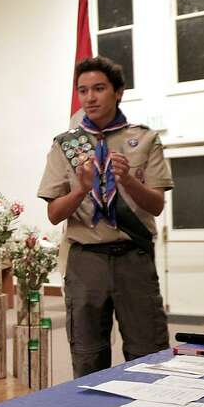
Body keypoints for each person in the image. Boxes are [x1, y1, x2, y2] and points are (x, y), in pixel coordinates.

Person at [38, 56, 173, 378]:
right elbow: (55, 214)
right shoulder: (65, 145)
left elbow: (156, 205)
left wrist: (127, 180)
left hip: (133, 258)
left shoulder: (144, 140)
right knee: (87, 356)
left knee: (148, 353)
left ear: (119, 92)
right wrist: (80, 189)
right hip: (86, 261)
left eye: (99, 88)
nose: (90, 97)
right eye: (83, 90)